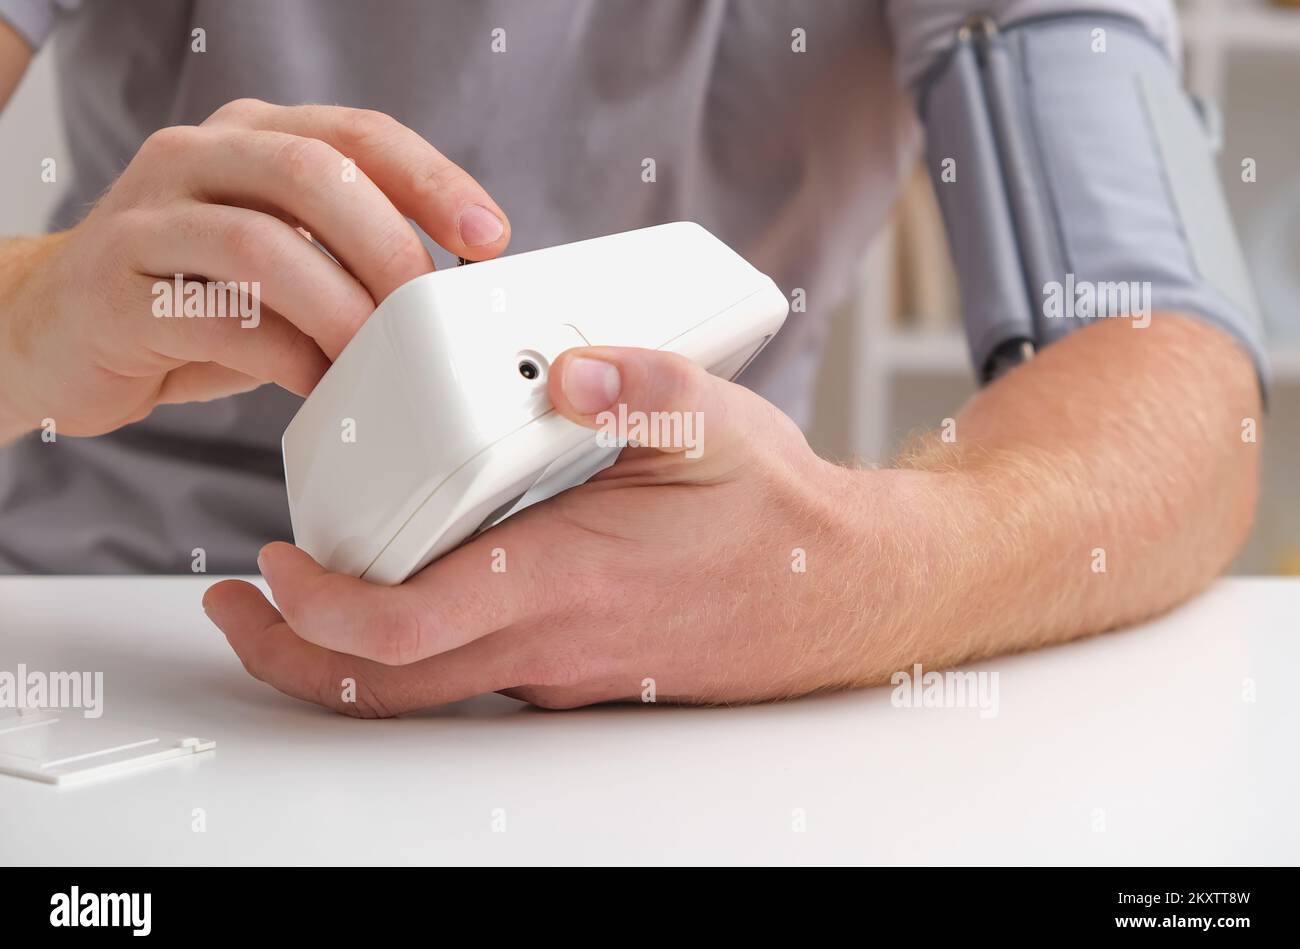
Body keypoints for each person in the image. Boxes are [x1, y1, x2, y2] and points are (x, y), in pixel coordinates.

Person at [0, 1, 1263, 713]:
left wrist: (857, 568)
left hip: (693, 661)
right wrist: (29, 315)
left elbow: (1176, 373)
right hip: (125, 650)